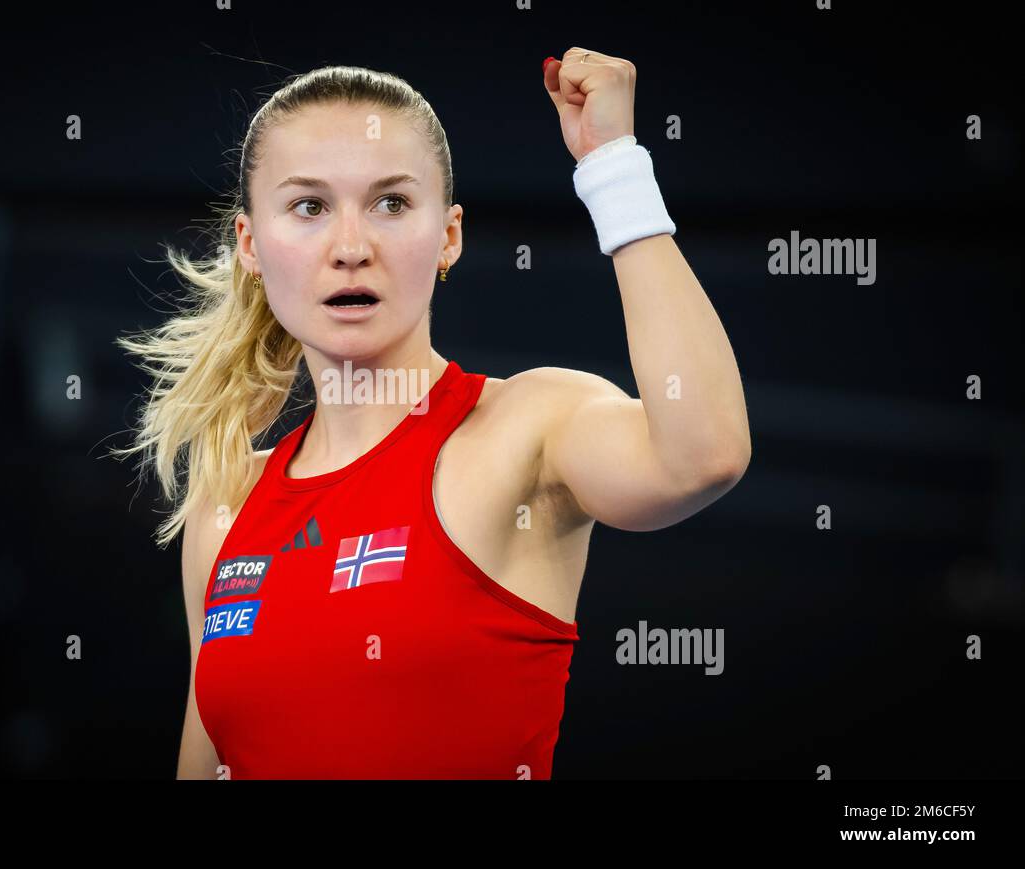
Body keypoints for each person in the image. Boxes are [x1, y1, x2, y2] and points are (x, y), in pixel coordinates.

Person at [113, 51, 751, 779]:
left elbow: (704, 454)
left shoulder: (526, 427)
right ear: (251, 247)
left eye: (390, 202)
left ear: (449, 235)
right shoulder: (226, 504)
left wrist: (614, 168)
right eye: (309, 207)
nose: (351, 248)